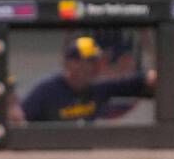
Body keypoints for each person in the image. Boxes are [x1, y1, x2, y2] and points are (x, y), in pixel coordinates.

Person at [21, 35, 156, 121]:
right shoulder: (46, 90)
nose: (95, 67)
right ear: (71, 64)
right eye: (90, 61)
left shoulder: (98, 88)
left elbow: (139, 82)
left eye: (97, 61)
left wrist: (150, 77)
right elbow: (22, 120)